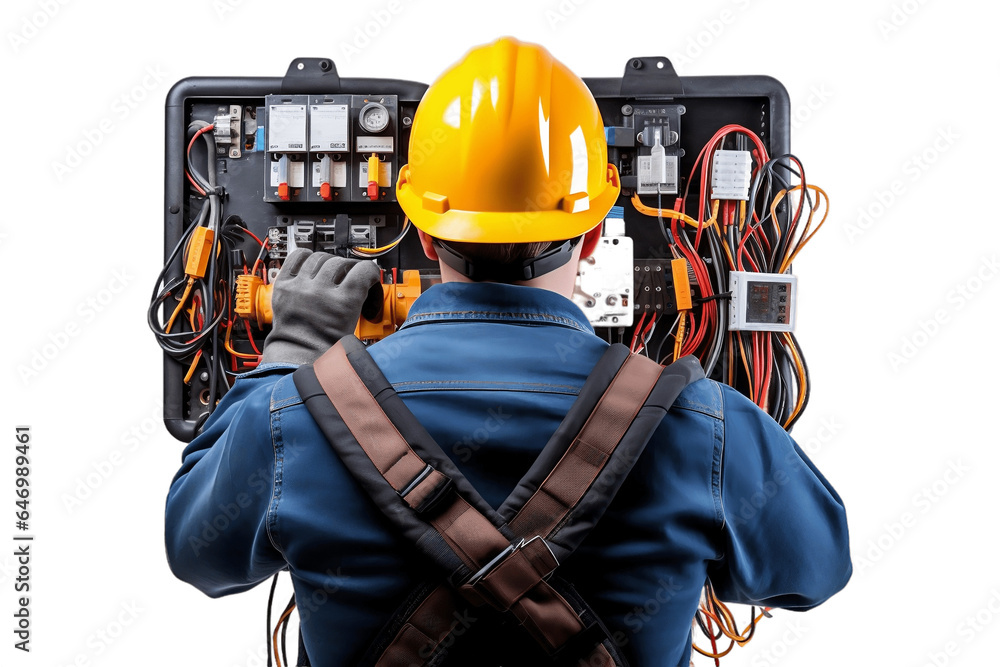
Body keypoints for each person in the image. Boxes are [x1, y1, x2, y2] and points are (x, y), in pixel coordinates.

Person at [165, 37, 851, 666]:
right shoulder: (703, 425)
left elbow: (198, 552)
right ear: (589, 238)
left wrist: (289, 352)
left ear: (425, 237)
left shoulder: (293, 419)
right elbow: (817, 566)